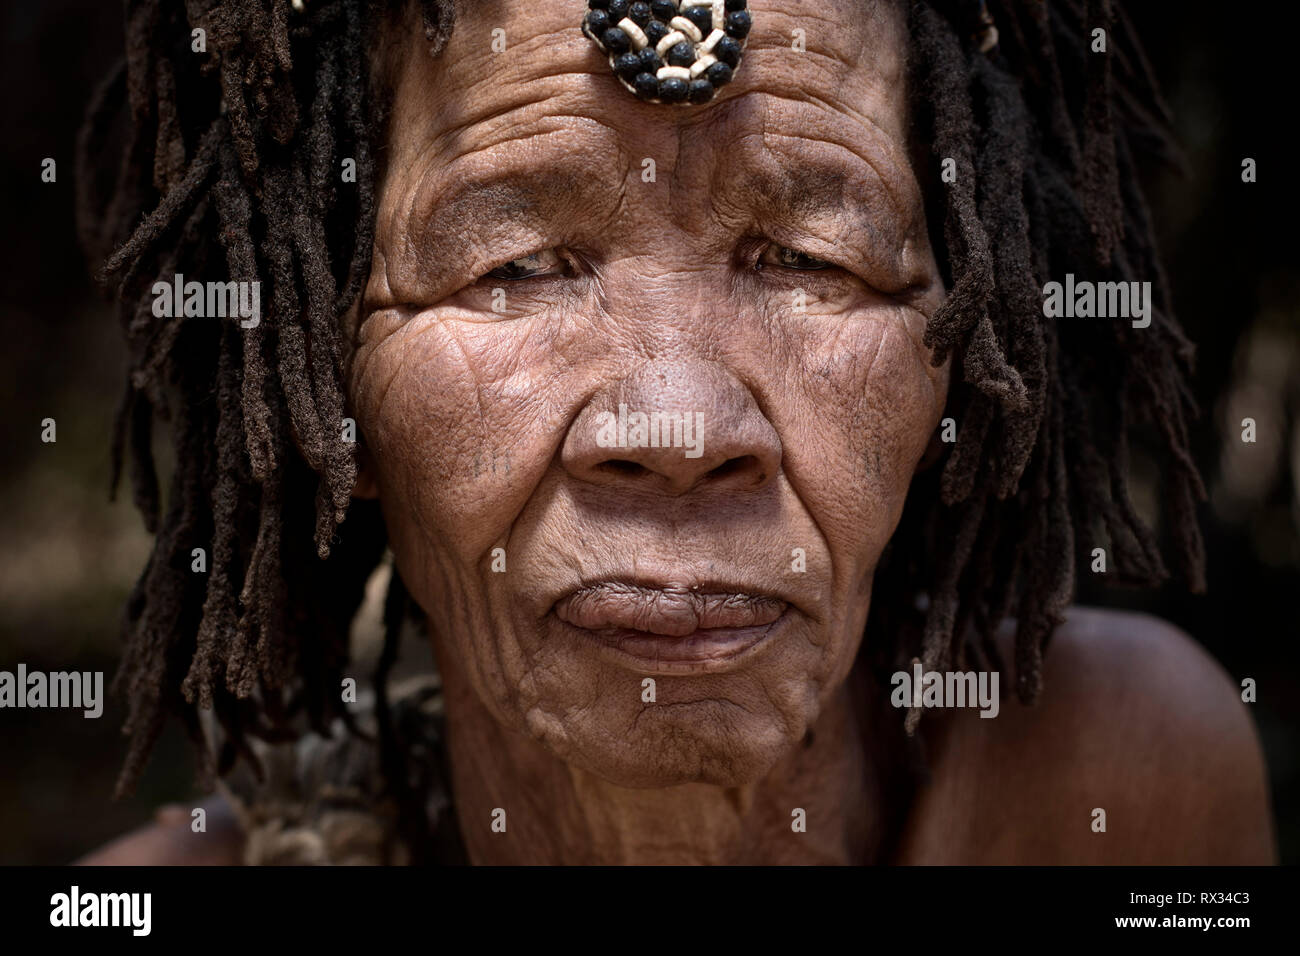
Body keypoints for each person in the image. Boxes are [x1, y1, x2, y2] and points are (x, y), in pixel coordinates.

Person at [76, 0, 1274, 864]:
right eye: (519, 268)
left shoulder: (1126, 777)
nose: (682, 426)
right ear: (328, 393)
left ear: (968, 354)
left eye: (808, 258)